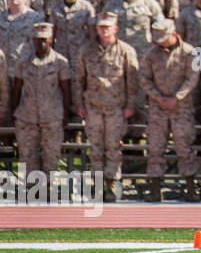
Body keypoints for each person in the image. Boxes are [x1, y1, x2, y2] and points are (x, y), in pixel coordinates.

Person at [75, 14, 138, 203]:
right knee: (95, 149)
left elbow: (132, 81)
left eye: (108, 27)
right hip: (93, 108)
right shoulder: (86, 51)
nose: (104, 30)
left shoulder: (126, 51)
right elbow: (79, 80)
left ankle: (112, 186)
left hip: (116, 108)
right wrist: (79, 104)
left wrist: (130, 105)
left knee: (113, 148)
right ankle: (98, 185)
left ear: (115, 29)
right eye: (101, 27)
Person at [140, 18, 201, 202]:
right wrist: (157, 96)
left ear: (174, 35)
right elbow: (144, 79)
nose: (160, 41)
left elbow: (193, 78)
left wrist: (178, 97)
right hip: (158, 108)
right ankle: (155, 188)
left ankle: (191, 188)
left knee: (184, 147)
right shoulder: (151, 54)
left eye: (163, 37)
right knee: (156, 147)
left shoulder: (192, 52)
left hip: (181, 108)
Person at [12, 23, 69, 179]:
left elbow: (66, 90)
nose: (41, 43)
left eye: (45, 39)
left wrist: (66, 115)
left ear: (51, 39)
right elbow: (17, 88)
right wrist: (14, 113)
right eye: (38, 39)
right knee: (28, 157)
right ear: (33, 40)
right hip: (27, 118)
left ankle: (49, 190)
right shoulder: (23, 62)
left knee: (52, 158)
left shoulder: (60, 62)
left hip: (52, 118)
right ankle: (33, 192)